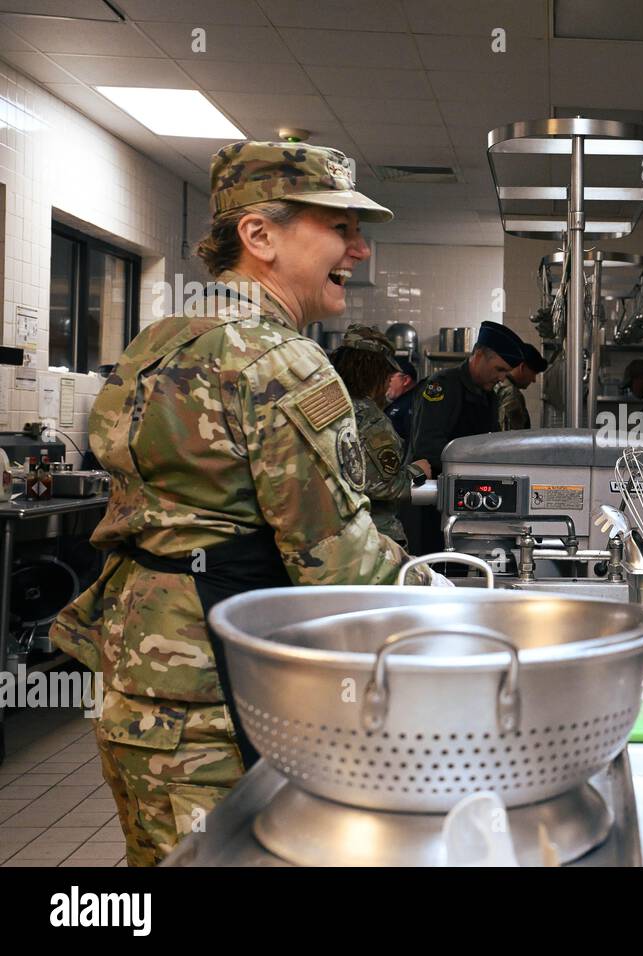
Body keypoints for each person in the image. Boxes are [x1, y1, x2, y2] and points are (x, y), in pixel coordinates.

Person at [48, 141, 445, 866]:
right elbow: (338, 560)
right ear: (258, 235)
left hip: (142, 680)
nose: (359, 250)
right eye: (338, 228)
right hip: (211, 699)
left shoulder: (160, 338)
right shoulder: (278, 358)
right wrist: (456, 609)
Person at [407, 322, 525, 554]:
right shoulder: (442, 387)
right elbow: (427, 448)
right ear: (479, 355)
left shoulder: (487, 395)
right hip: (432, 505)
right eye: (499, 369)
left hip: (464, 503)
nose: (502, 378)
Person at [331, 324, 426, 546]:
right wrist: (418, 471)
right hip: (373, 537)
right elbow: (385, 486)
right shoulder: (371, 419)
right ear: (376, 373)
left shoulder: (326, 405)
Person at [496, 342, 547, 431]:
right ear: (522, 367)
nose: (534, 380)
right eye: (533, 373)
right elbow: (512, 437)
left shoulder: (498, 385)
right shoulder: (511, 395)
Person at [384, 355, 419, 443]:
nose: (387, 381)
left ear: (406, 380)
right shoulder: (400, 402)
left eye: (391, 376)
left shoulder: (414, 404)